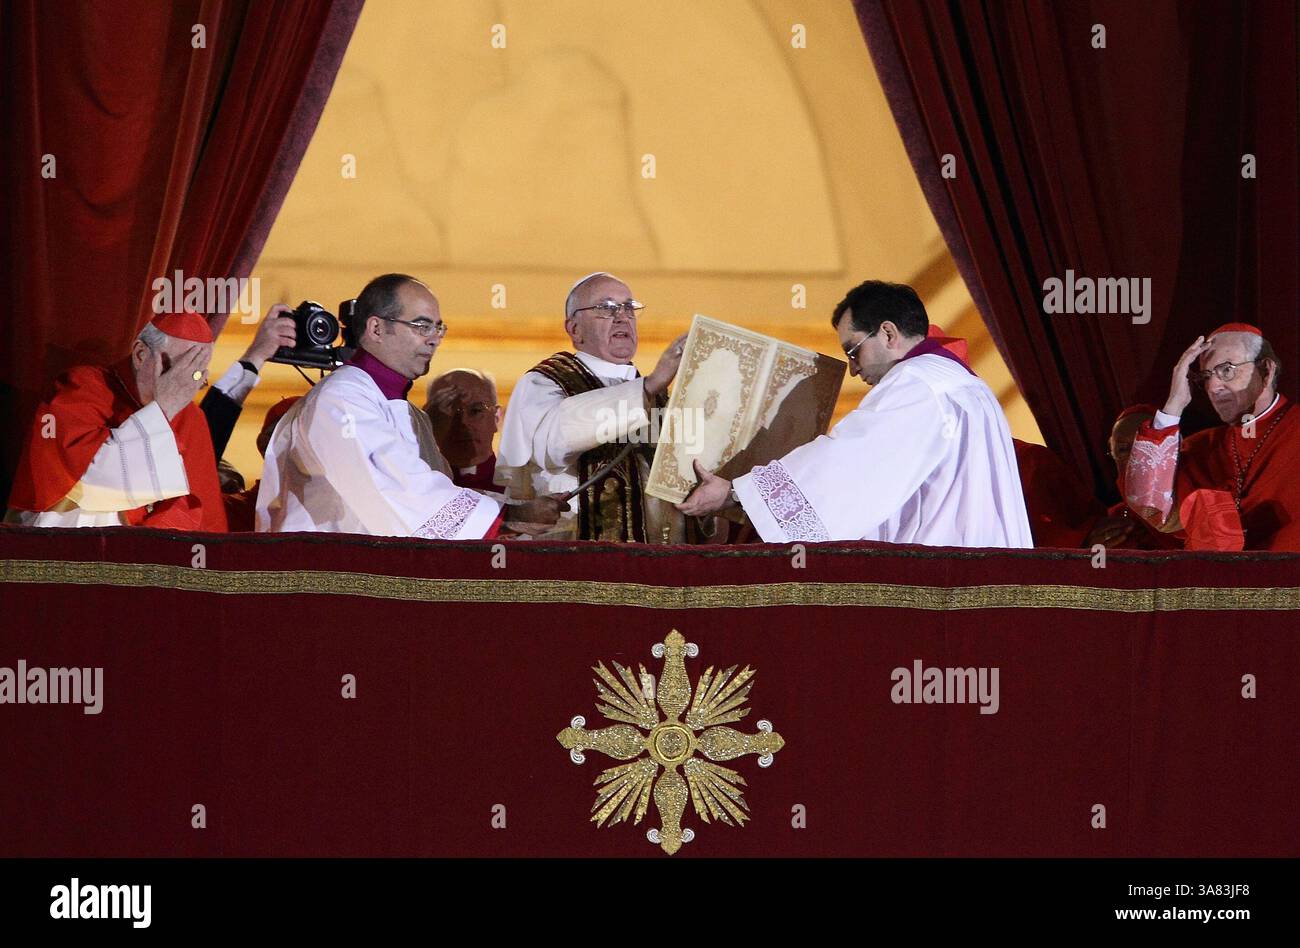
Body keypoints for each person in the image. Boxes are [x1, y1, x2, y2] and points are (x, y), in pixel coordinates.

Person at [678, 280, 1032, 548]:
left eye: (853, 351)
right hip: (981, 562)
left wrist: (735, 491)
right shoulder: (957, 380)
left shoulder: (916, 382)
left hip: (948, 571)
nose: (852, 370)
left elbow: (848, 461)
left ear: (888, 333)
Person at [256, 273, 561, 538]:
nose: (434, 339)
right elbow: (398, 492)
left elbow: (433, 490)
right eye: (421, 326)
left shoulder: (410, 413)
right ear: (376, 329)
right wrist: (509, 516)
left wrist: (516, 508)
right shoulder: (341, 398)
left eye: (438, 328)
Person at [495, 271, 687, 542]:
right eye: (606, 308)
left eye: (629, 308)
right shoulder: (545, 381)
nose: (622, 317)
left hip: (653, 558)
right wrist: (648, 386)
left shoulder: (659, 398)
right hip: (575, 553)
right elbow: (554, 439)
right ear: (574, 329)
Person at [5, 313, 227, 530]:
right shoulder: (81, 385)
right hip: (67, 536)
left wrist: (150, 545)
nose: (183, 385)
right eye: (177, 369)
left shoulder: (193, 418)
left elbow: (197, 512)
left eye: (195, 374)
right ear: (140, 354)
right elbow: (87, 483)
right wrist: (163, 409)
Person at [1125, 322, 1297, 550]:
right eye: (1206, 376)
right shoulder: (1200, 447)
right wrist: (1173, 405)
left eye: (1227, 370)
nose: (1214, 387)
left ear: (1266, 370)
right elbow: (1149, 507)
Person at [424, 369, 503, 493]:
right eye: (450, 411)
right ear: (431, 420)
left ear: (496, 417)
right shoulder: (414, 487)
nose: (463, 422)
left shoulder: (522, 488)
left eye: (476, 411)